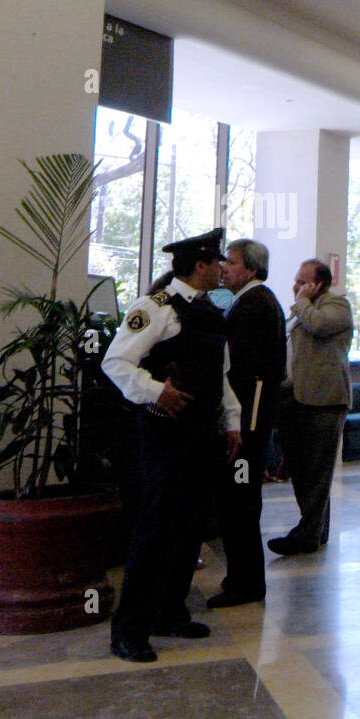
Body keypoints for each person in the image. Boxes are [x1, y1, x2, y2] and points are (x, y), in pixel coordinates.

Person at [101, 227, 242, 663]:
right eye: (217, 262)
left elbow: (221, 376)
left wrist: (232, 421)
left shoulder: (211, 313)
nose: (222, 268)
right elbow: (116, 361)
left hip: (203, 435)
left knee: (190, 526)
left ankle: (169, 612)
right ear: (200, 266)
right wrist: (155, 389)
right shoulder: (155, 308)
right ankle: (129, 630)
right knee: (156, 530)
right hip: (165, 436)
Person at [208, 238, 286, 609]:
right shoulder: (257, 301)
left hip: (248, 428)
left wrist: (236, 425)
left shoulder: (253, 305)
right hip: (253, 422)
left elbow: (243, 373)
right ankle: (241, 576)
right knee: (241, 502)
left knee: (239, 503)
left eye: (233, 263)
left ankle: (246, 583)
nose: (225, 268)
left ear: (252, 269)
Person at [269, 260, 353, 556]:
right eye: (296, 280)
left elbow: (319, 325)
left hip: (325, 401)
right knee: (301, 470)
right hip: (295, 399)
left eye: (303, 282)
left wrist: (303, 302)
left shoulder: (337, 306)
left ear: (320, 284)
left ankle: (306, 533)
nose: (297, 287)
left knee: (316, 471)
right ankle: (316, 529)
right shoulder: (303, 309)